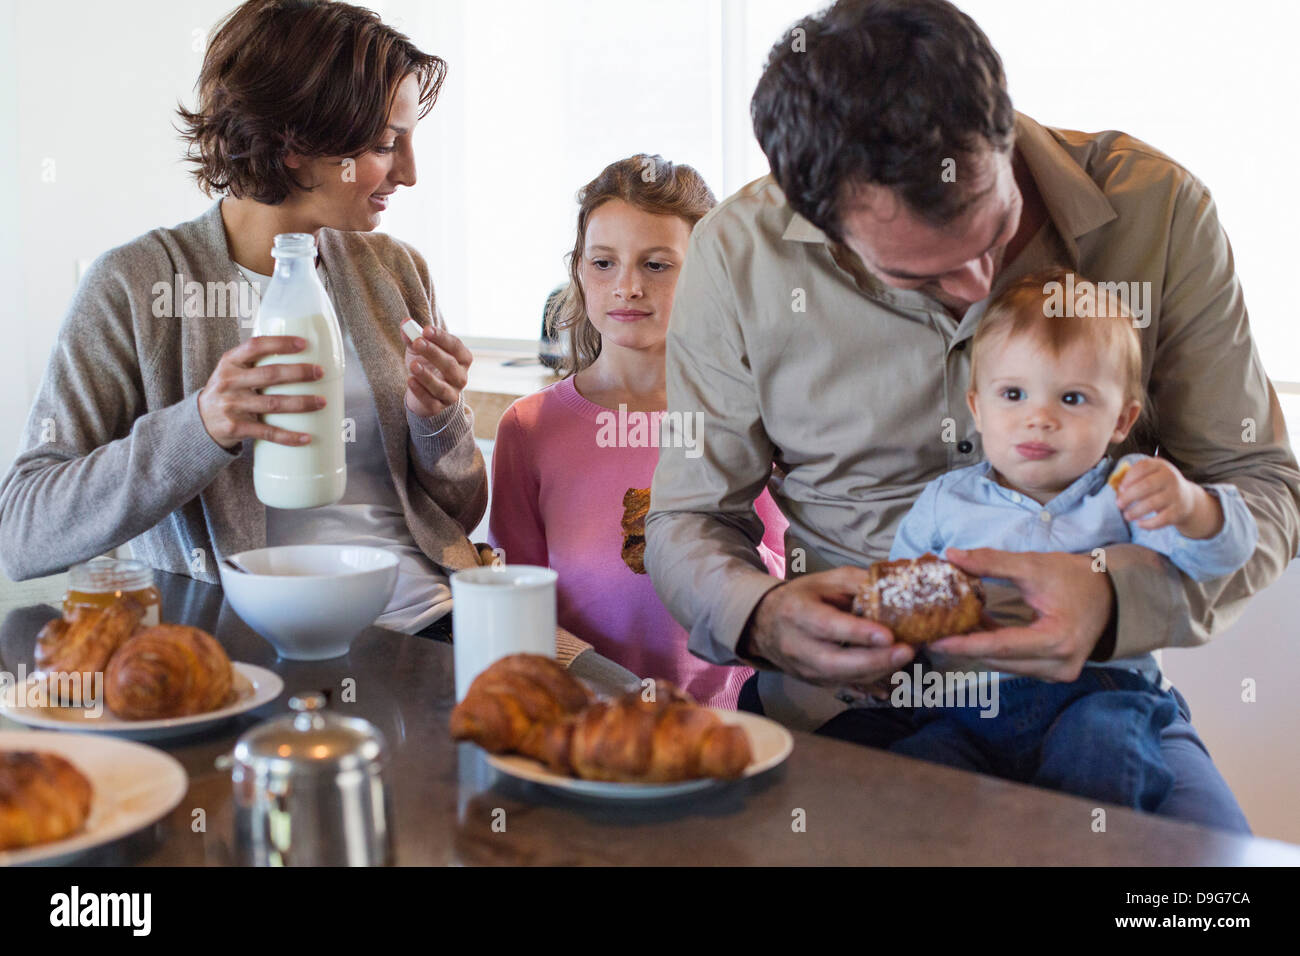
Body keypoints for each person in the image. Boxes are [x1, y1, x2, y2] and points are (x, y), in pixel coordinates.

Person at [644, 0, 1300, 832]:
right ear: (811, 216)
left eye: (994, 228)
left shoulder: (1161, 212)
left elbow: (1261, 483)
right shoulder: (737, 255)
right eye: (919, 276)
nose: (978, 289)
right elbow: (689, 519)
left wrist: (1116, 602)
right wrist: (763, 617)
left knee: (1208, 912)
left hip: (1098, 701)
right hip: (847, 713)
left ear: (1003, 129)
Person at [0, 0, 484, 638]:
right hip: (246, 643)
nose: (412, 173)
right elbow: (25, 534)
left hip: (434, 622)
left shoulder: (396, 271)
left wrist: (439, 425)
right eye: (385, 143)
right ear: (295, 142)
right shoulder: (137, 286)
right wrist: (201, 426)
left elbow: (462, 514)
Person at [876, 267, 1258, 812]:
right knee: (920, 771)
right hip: (965, 703)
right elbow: (899, 596)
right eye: (1013, 394)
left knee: (1103, 750)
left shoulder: (1128, 492)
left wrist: (1195, 507)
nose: (1039, 418)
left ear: (1122, 420)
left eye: (1073, 399)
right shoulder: (945, 501)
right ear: (978, 408)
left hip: (1102, 694)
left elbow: (1220, 556)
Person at [489, 155, 786, 707]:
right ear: (578, 268)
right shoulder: (527, 430)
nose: (627, 287)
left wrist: (707, 537)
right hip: (583, 719)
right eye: (604, 263)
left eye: (657, 265)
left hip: (732, 720)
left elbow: (781, 588)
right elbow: (516, 608)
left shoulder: (743, 418)